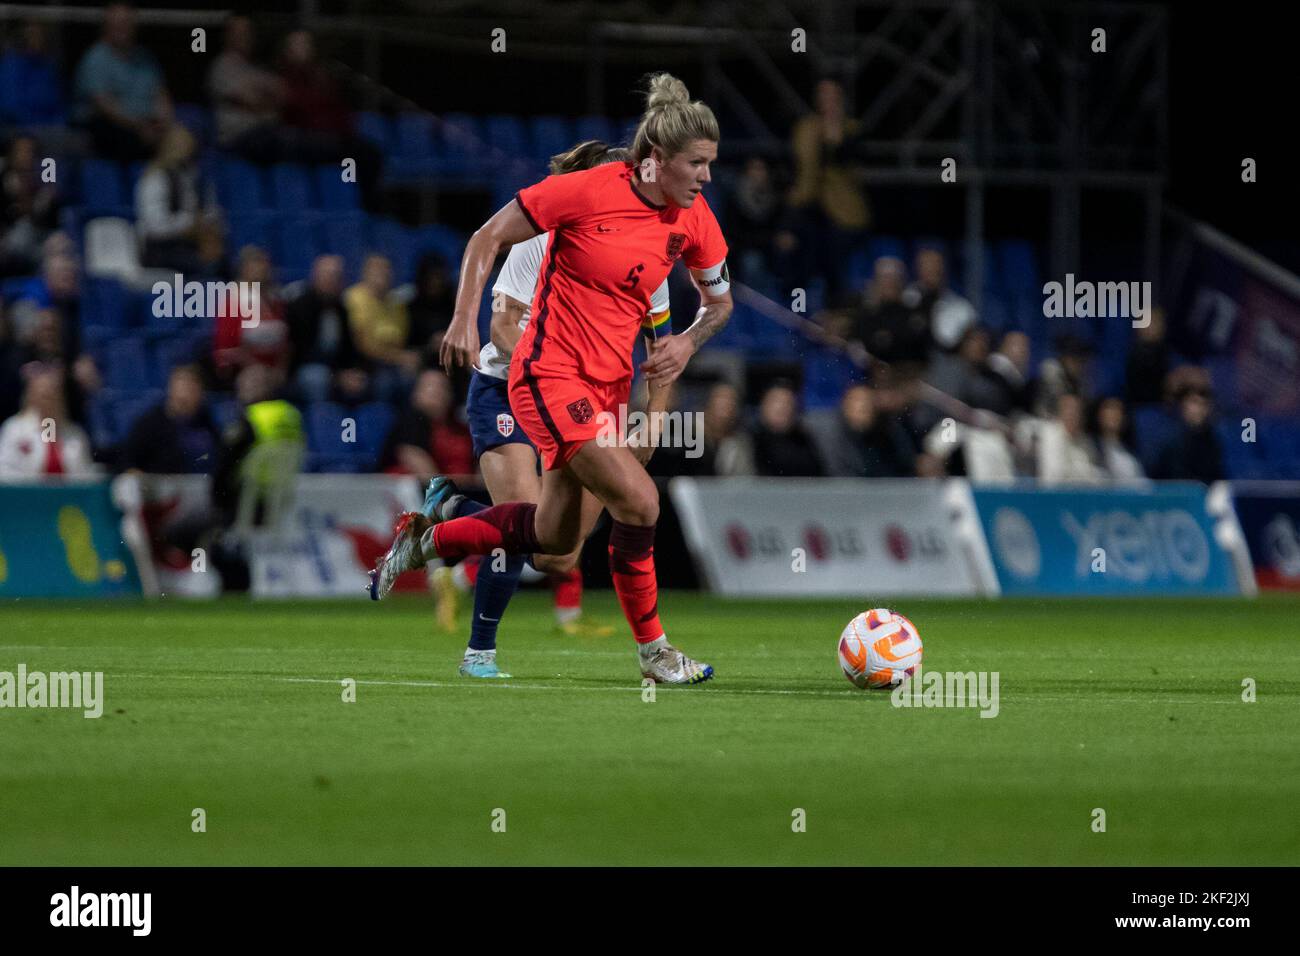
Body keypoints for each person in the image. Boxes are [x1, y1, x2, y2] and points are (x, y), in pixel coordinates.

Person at [369, 74, 732, 686]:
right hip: (547, 375)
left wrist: (686, 346)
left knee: (553, 543)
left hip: (609, 392)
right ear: (656, 160)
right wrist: (463, 318)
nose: (706, 177)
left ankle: (429, 539)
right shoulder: (585, 192)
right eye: (697, 163)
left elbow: (718, 303)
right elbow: (487, 236)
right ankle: (655, 654)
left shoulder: (693, 221)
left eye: (710, 164)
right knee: (641, 502)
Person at [426, 142, 671, 672]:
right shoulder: (538, 242)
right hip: (509, 386)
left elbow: (660, 349)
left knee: (554, 552)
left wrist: (651, 420)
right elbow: (504, 325)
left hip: (588, 403)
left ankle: (451, 512)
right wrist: (552, 377)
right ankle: (479, 653)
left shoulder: (649, 253)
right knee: (522, 521)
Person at [73, 4, 172, 161]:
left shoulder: (145, 58)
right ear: (106, 27)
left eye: (127, 23)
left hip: (148, 126)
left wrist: (163, 123)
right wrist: (140, 127)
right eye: (117, 24)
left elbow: (160, 94)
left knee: (184, 136)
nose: (122, 28)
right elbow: (104, 106)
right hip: (113, 128)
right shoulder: (95, 58)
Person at [134, 124, 222, 274]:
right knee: (201, 268)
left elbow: (210, 212)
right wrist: (189, 224)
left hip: (192, 243)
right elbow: (154, 226)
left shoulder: (195, 177)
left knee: (222, 264)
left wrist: (208, 232)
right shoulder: (155, 177)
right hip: (161, 248)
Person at [0, 365, 96, 479]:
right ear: (31, 398)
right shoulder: (14, 429)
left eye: (53, 395)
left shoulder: (75, 434)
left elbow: (85, 475)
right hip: (26, 494)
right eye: (43, 396)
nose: (48, 401)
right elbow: (4, 471)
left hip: (67, 496)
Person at [119, 364, 218, 473]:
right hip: (157, 484)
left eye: (190, 389)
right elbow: (129, 460)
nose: (184, 396)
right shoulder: (150, 423)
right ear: (170, 391)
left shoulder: (207, 421)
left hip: (198, 483)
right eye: (181, 388)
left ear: (200, 393)